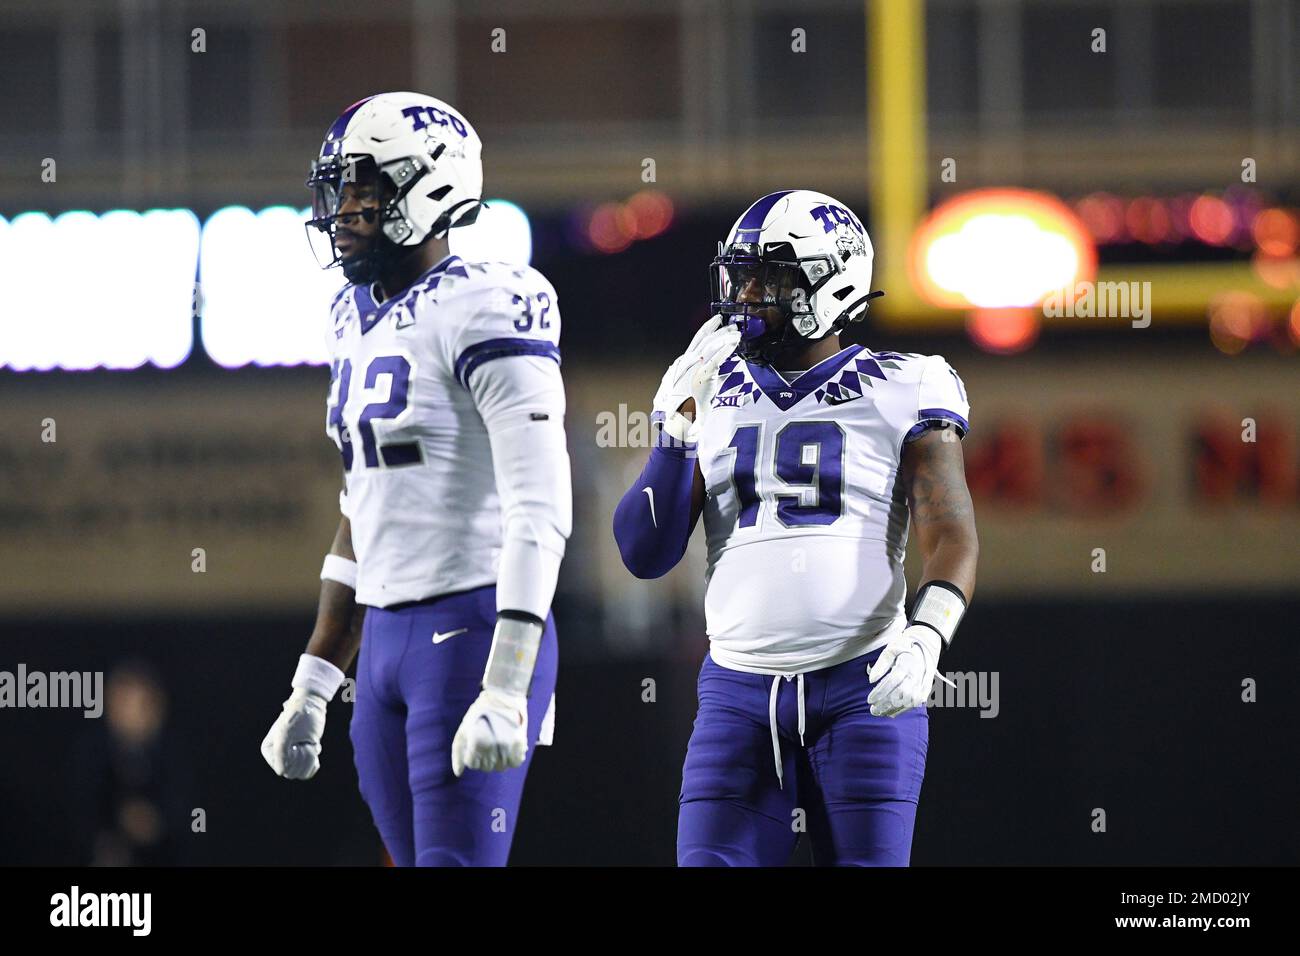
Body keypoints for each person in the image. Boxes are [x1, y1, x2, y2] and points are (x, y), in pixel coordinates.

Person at [613, 189, 978, 866]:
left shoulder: (907, 382)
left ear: (831, 281)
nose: (747, 293)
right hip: (737, 692)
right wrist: (672, 429)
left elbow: (952, 533)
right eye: (742, 273)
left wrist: (927, 638)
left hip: (862, 685)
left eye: (769, 276)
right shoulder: (710, 387)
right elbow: (644, 550)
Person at [260, 93, 571, 867]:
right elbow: (360, 505)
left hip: (471, 627)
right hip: (387, 641)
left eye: (366, 187)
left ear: (430, 187)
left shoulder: (490, 300)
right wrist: (313, 679)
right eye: (341, 187)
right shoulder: (347, 312)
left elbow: (541, 503)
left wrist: (507, 680)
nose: (345, 209)